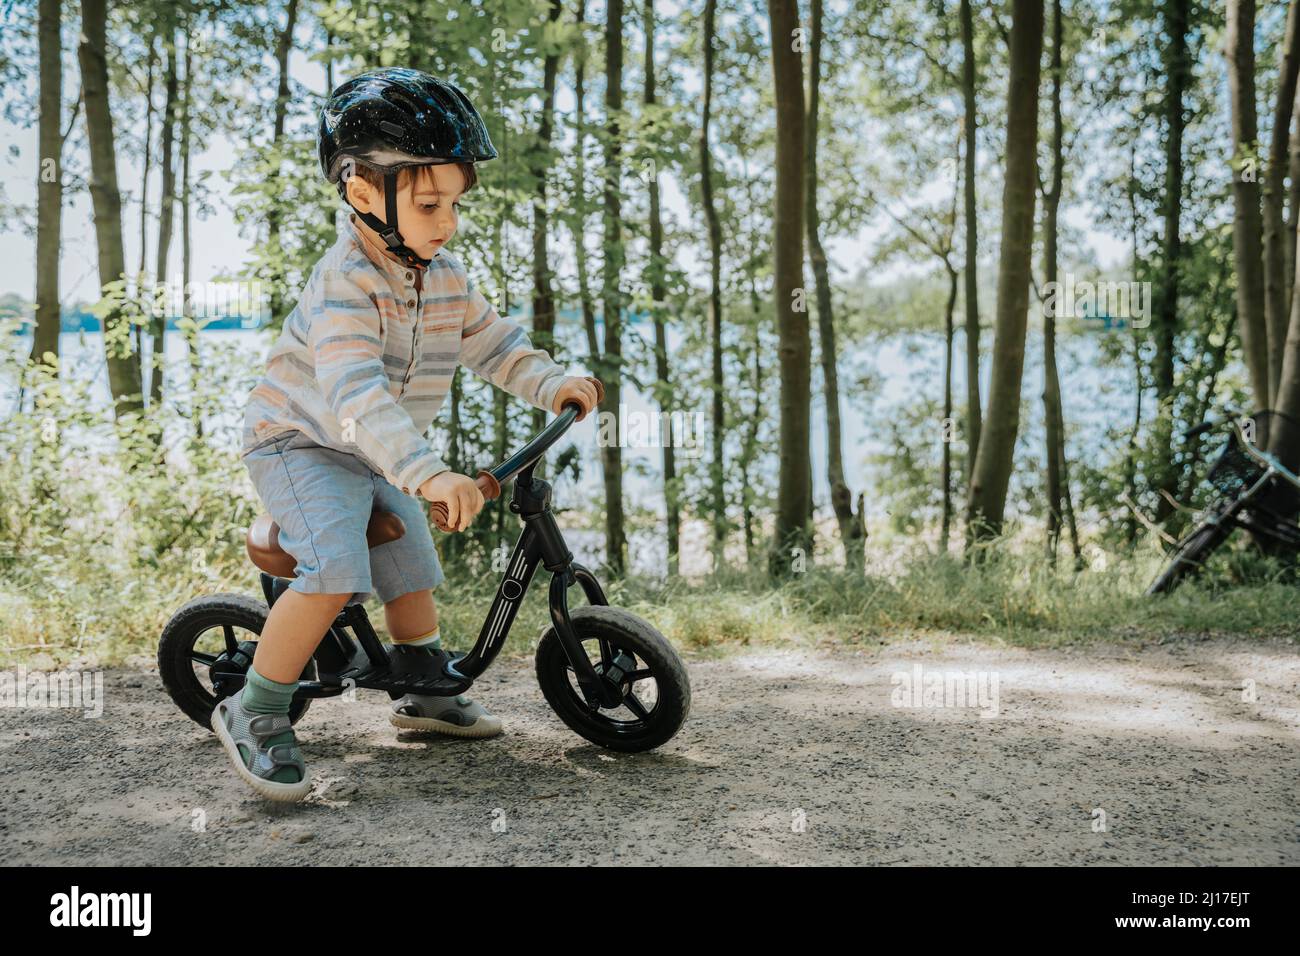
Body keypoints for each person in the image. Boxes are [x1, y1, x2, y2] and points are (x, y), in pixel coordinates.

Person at [216, 67, 601, 801]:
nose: (448, 221)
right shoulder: (344, 285)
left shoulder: (444, 275)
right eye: (430, 203)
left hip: (373, 447)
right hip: (301, 440)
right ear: (364, 193)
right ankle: (256, 705)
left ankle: (422, 684)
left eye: (454, 203)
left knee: (414, 559)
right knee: (335, 566)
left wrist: (550, 382)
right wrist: (428, 472)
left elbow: (495, 345)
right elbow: (353, 395)